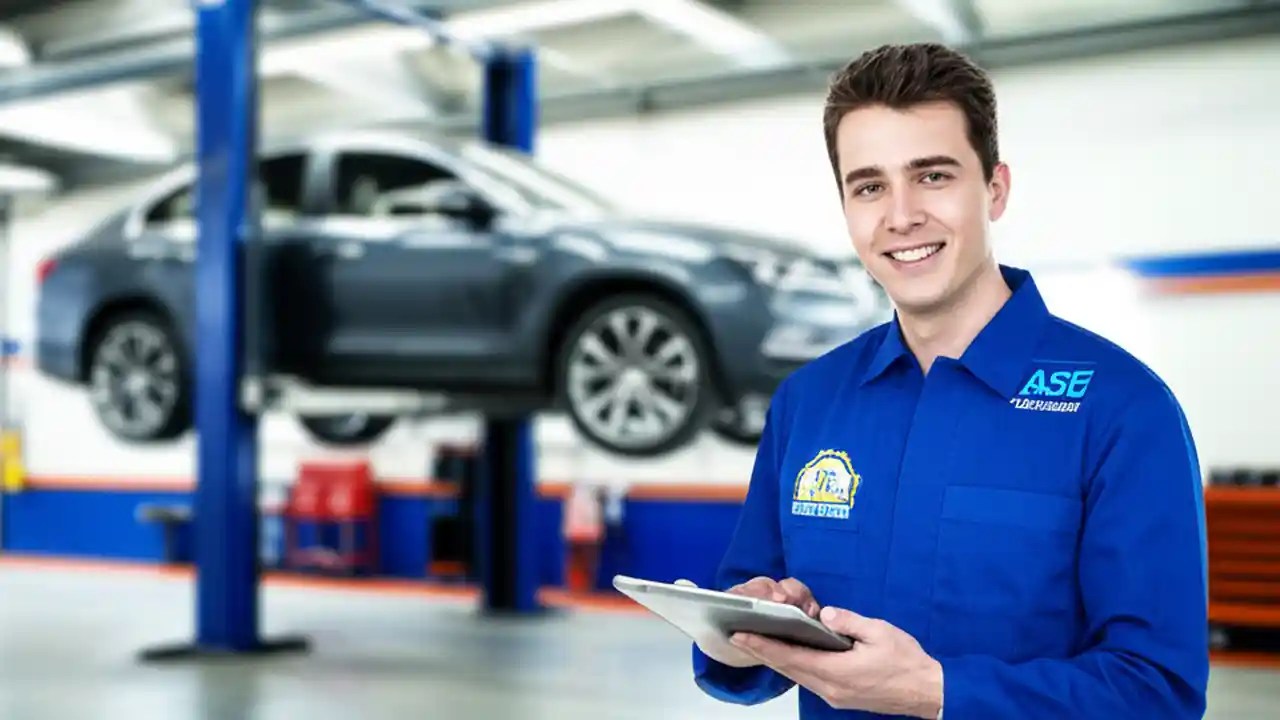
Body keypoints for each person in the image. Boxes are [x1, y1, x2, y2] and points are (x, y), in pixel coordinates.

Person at [690, 42, 1209, 719]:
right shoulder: (810, 401)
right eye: (869, 185)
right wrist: (736, 638)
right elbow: (749, 612)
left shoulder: (1121, 410)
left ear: (994, 189)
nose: (901, 216)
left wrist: (935, 692)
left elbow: (1157, 693)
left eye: (932, 176)